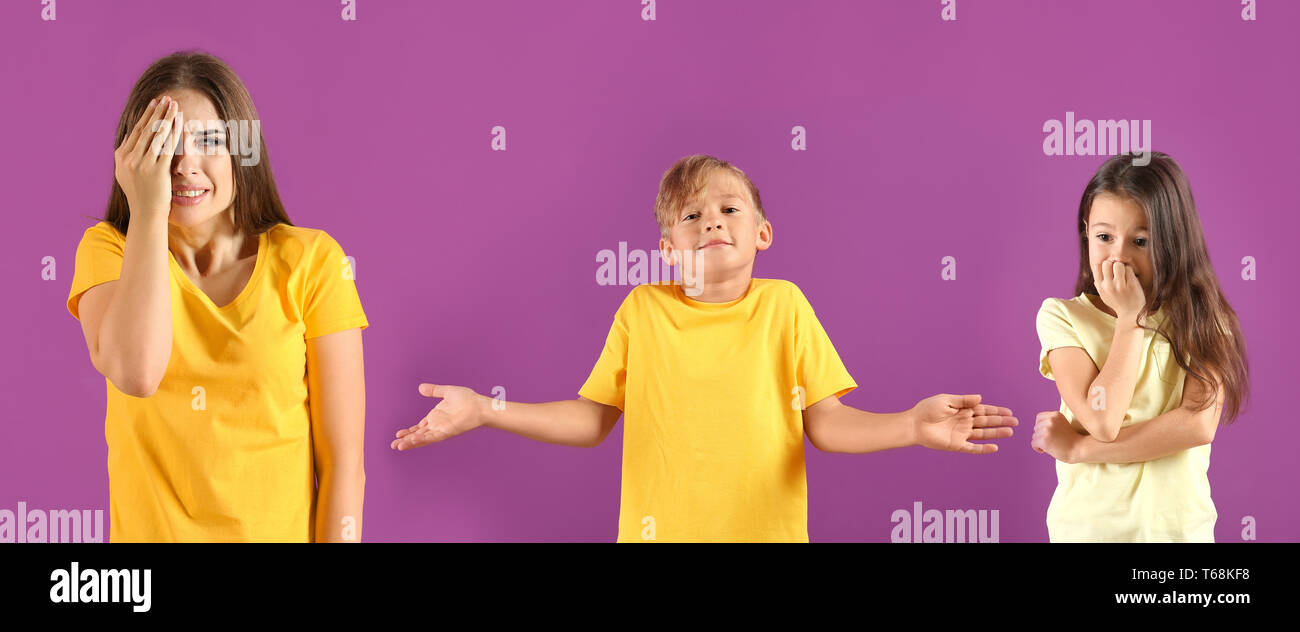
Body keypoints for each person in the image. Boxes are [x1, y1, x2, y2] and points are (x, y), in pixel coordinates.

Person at [393, 154, 1017, 542]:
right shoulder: (643, 310)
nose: (712, 222)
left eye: (728, 208)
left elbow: (824, 424)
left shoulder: (785, 306)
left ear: (762, 233)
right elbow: (593, 420)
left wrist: (910, 423)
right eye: (691, 217)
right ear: (667, 249)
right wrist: (485, 409)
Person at [67, 51, 368, 542]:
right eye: (163, 145)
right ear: (134, 157)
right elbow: (136, 373)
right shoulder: (108, 251)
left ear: (243, 149)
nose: (186, 165)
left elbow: (343, 468)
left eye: (210, 141)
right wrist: (146, 212)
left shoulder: (313, 262)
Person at [1032, 151, 1250, 542]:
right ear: (1086, 232)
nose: (1119, 256)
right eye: (1104, 237)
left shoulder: (1203, 317)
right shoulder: (1062, 317)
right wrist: (1130, 320)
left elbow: (1197, 424)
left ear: (1172, 240)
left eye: (1140, 241)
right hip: (1090, 532)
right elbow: (1102, 421)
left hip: (1180, 533)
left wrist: (1080, 451)